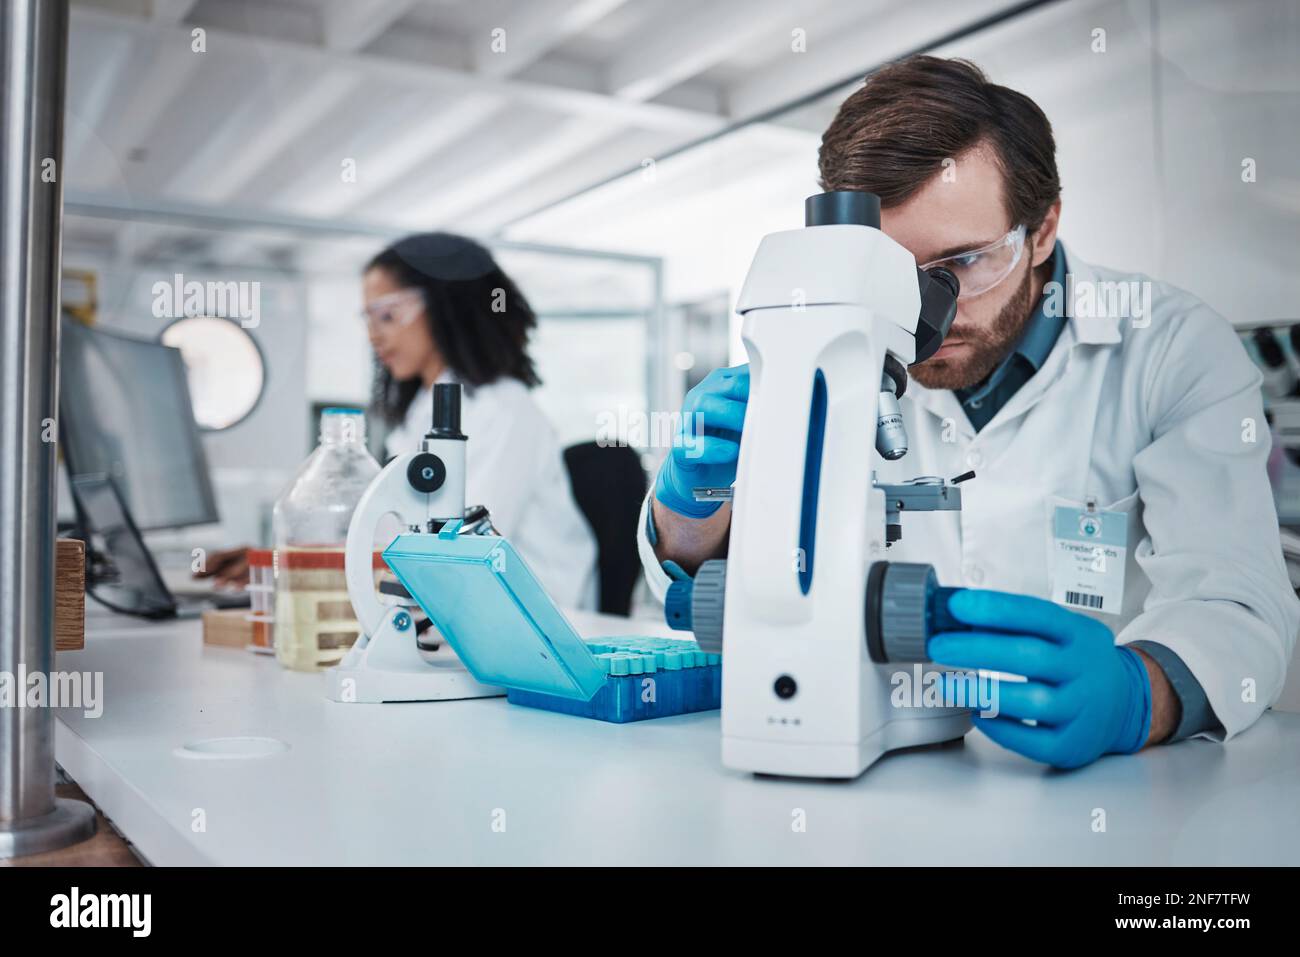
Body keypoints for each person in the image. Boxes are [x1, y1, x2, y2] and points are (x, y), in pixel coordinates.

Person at [640, 56, 1299, 769]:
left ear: (1042, 228)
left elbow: (1237, 605)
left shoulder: (1167, 344)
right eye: (894, 270)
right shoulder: (832, 346)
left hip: (1113, 794)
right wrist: (690, 501)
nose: (928, 312)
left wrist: (1139, 693)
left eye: (963, 263)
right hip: (888, 774)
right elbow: (708, 592)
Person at [203, 232, 597, 611]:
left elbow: (455, 550)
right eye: (368, 319)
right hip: (452, 613)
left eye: (387, 315)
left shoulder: (505, 410)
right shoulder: (420, 412)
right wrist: (283, 561)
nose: (374, 336)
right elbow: (389, 534)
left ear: (446, 307)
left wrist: (298, 566)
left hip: (538, 623)